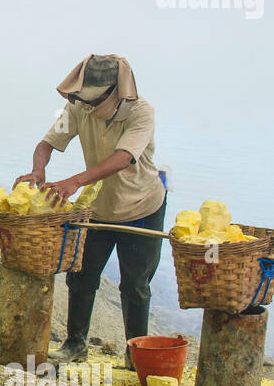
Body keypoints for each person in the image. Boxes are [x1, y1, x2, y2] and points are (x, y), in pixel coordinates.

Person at [16, 54, 167, 367]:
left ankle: (134, 352)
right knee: (81, 276)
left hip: (142, 206)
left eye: (94, 101)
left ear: (116, 93)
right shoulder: (76, 108)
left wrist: (75, 181)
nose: (87, 107)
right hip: (98, 209)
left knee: (135, 285)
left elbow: (124, 157)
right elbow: (47, 142)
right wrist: (37, 170)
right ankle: (75, 344)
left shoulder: (141, 113)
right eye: (82, 100)